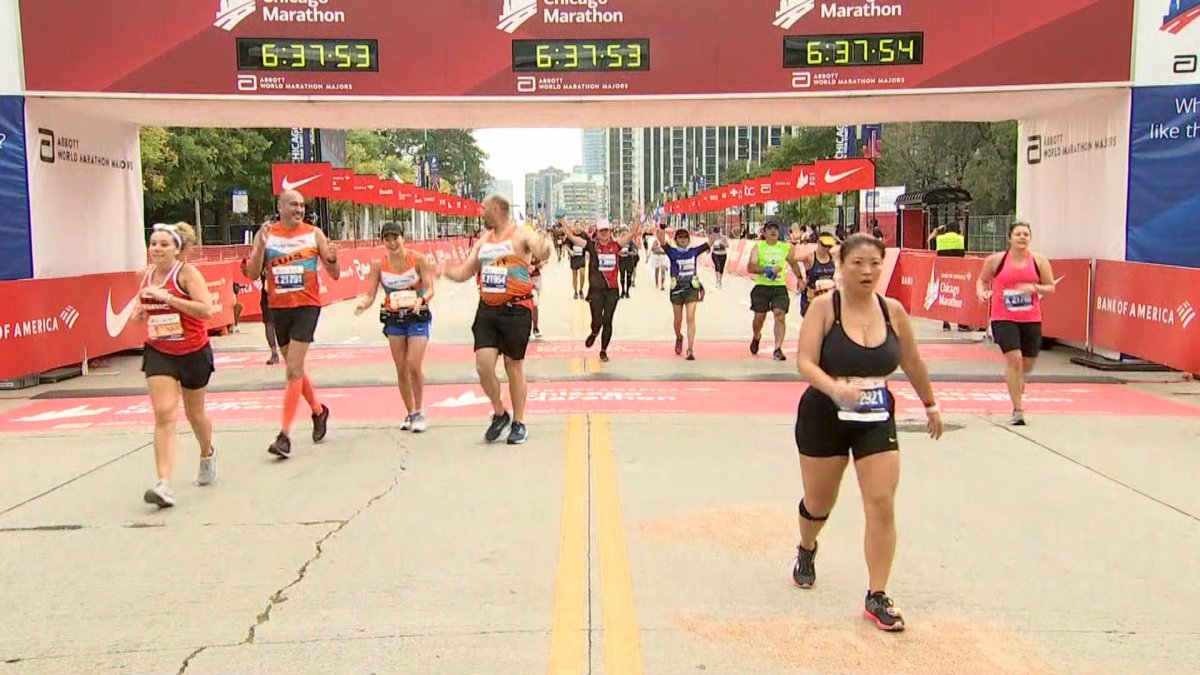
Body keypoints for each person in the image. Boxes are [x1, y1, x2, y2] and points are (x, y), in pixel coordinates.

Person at [792, 233, 943, 632]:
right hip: (825, 412)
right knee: (819, 503)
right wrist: (836, 388)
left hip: (875, 415)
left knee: (881, 502)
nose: (867, 271)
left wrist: (931, 404)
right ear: (841, 266)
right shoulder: (826, 308)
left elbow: (911, 361)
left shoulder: (892, 311)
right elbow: (805, 362)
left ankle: (877, 594)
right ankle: (807, 547)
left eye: (875, 263)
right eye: (857, 263)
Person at [442, 194, 552, 445]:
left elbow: (540, 249)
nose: (481, 212)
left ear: (497, 210)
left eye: (484, 208)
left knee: (514, 367)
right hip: (488, 310)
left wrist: (544, 243)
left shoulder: (521, 235)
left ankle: (519, 422)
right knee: (483, 366)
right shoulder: (482, 243)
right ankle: (500, 412)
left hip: (516, 309)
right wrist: (445, 271)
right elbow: (463, 272)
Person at [246, 190, 339, 459]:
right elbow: (253, 274)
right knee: (294, 369)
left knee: (293, 369)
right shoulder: (267, 233)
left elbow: (334, 274)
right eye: (294, 205)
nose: (299, 209)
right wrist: (261, 246)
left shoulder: (314, 234)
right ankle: (319, 411)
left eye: (302, 205)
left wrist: (332, 257)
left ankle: (284, 436)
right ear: (281, 207)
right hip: (279, 308)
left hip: (306, 306)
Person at [135, 222, 216, 508]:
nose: (156, 249)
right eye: (153, 243)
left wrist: (169, 298)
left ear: (177, 249)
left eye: (164, 244)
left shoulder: (186, 273)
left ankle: (207, 452)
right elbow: (139, 311)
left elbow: (206, 309)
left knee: (195, 413)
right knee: (164, 413)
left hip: (193, 350)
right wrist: (141, 312)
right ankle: (163, 484)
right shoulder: (145, 276)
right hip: (160, 351)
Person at [354, 222, 436, 432]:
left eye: (395, 238)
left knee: (413, 364)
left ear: (403, 238)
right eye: (387, 239)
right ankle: (410, 413)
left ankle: (419, 411)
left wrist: (421, 300)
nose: (391, 243)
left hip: (417, 316)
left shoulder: (418, 259)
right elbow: (371, 294)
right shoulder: (378, 266)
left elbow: (429, 288)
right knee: (401, 368)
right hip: (393, 319)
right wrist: (363, 304)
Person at [975, 222, 1055, 426]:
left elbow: (1050, 288)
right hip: (1003, 317)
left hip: (1030, 318)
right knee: (1014, 359)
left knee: (1025, 365)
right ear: (1009, 238)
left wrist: (1034, 288)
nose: (1022, 237)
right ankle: (1018, 410)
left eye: (1026, 234)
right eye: (1018, 234)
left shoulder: (1039, 261)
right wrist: (981, 293)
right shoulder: (996, 261)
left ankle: (1016, 379)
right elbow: (982, 280)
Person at [564, 218, 643, 362]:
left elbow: (631, 234)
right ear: (597, 232)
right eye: (602, 231)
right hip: (595, 291)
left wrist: (638, 217)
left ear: (610, 231)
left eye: (607, 230)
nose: (605, 233)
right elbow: (572, 238)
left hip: (612, 290)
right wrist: (562, 222)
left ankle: (603, 350)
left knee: (608, 320)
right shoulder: (591, 246)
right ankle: (594, 332)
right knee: (597, 320)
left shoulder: (616, 245)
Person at [747, 220, 804, 361]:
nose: (773, 231)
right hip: (762, 286)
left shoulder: (785, 247)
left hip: (779, 287)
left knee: (780, 314)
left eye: (775, 229)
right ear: (764, 232)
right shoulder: (758, 247)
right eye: (770, 229)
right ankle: (756, 336)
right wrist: (767, 270)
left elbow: (793, 262)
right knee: (759, 319)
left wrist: (800, 278)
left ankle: (778, 348)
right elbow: (751, 267)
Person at [656, 224, 710, 360]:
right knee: (677, 320)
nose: (683, 239)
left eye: (685, 237)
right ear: (676, 240)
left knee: (690, 318)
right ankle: (679, 336)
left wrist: (716, 233)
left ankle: (690, 349)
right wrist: (662, 227)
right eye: (680, 237)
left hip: (691, 288)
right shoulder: (672, 252)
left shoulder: (693, 251)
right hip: (677, 289)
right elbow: (661, 241)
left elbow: (709, 243)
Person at [929, 223, 971, 331]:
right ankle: (961, 323)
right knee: (959, 298)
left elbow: (929, 240)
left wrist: (937, 230)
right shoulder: (961, 239)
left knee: (945, 298)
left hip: (944, 273)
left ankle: (946, 323)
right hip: (959, 273)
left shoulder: (940, 239)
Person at [240, 257, 281, 365]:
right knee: (270, 324)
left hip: (280, 294)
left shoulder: (266, 255)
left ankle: (277, 352)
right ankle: (274, 352)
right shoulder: (263, 256)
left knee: (275, 324)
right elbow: (250, 273)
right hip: (269, 296)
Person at [800, 233, 839, 317]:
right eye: (825, 245)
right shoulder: (810, 257)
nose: (827, 248)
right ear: (818, 242)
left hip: (828, 298)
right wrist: (800, 278)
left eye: (830, 246)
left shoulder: (833, 257)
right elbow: (794, 258)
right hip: (811, 298)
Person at [567, 221, 588, 299]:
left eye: (579, 226)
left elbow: (588, 244)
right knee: (574, 275)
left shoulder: (584, 235)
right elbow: (566, 245)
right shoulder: (571, 234)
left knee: (582, 274)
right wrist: (570, 251)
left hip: (581, 257)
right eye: (576, 226)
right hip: (574, 257)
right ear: (574, 226)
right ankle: (575, 291)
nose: (578, 227)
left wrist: (588, 252)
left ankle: (581, 289)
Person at [618, 227, 639, 298]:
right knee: (622, 276)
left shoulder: (630, 242)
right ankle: (623, 291)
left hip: (629, 261)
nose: (624, 234)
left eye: (625, 232)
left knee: (629, 276)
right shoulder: (618, 242)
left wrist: (629, 252)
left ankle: (627, 291)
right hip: (621, 261)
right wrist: (619, 253)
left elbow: (635, 251)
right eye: (622, 232)